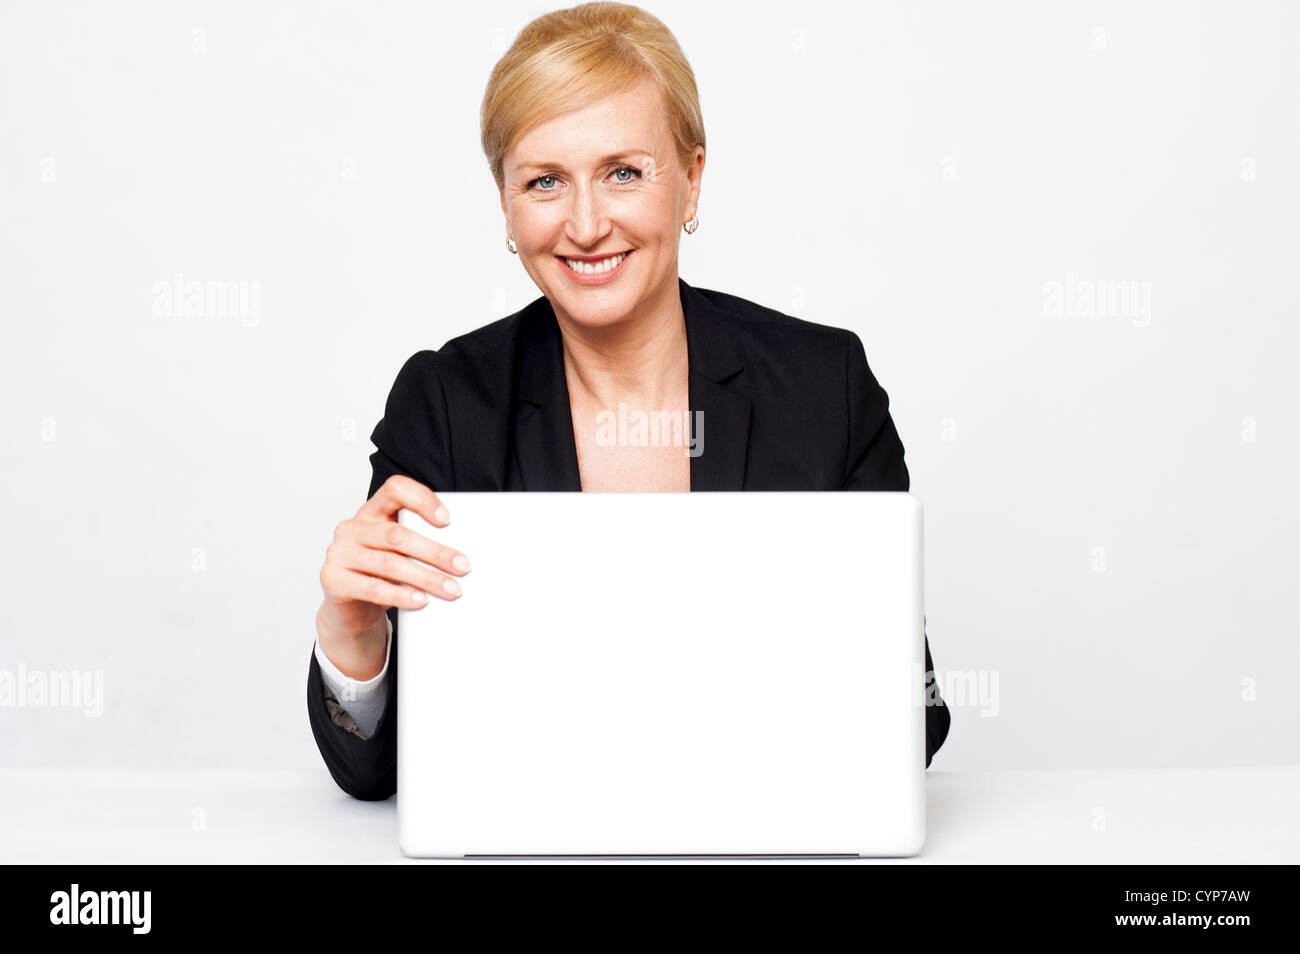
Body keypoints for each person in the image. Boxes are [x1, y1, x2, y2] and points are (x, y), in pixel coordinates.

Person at [308, 1, 951, 801]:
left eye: (623, 172)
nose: (585, 224)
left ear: (691, 177)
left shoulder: (826, 386)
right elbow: (377, 773)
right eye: (545, 181)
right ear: (507, 207)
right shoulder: (444, 403)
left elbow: (913, 721)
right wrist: (354, 632)